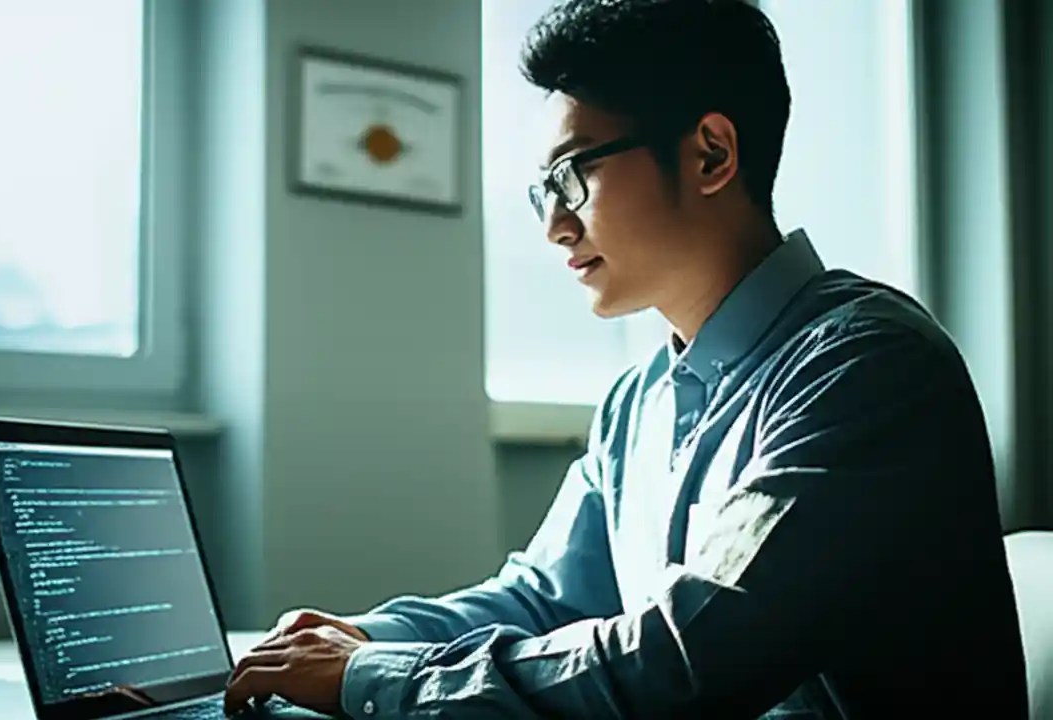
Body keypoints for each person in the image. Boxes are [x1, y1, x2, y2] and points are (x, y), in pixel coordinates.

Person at [224, 0, 1029, 716]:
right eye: (546, 190)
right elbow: (546, 599)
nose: (555, 227)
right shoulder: (636, 398)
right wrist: (355, 639)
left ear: (712, 154)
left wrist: (373, 678)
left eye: (573, 175)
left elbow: (687, 660)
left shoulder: (864, 367)